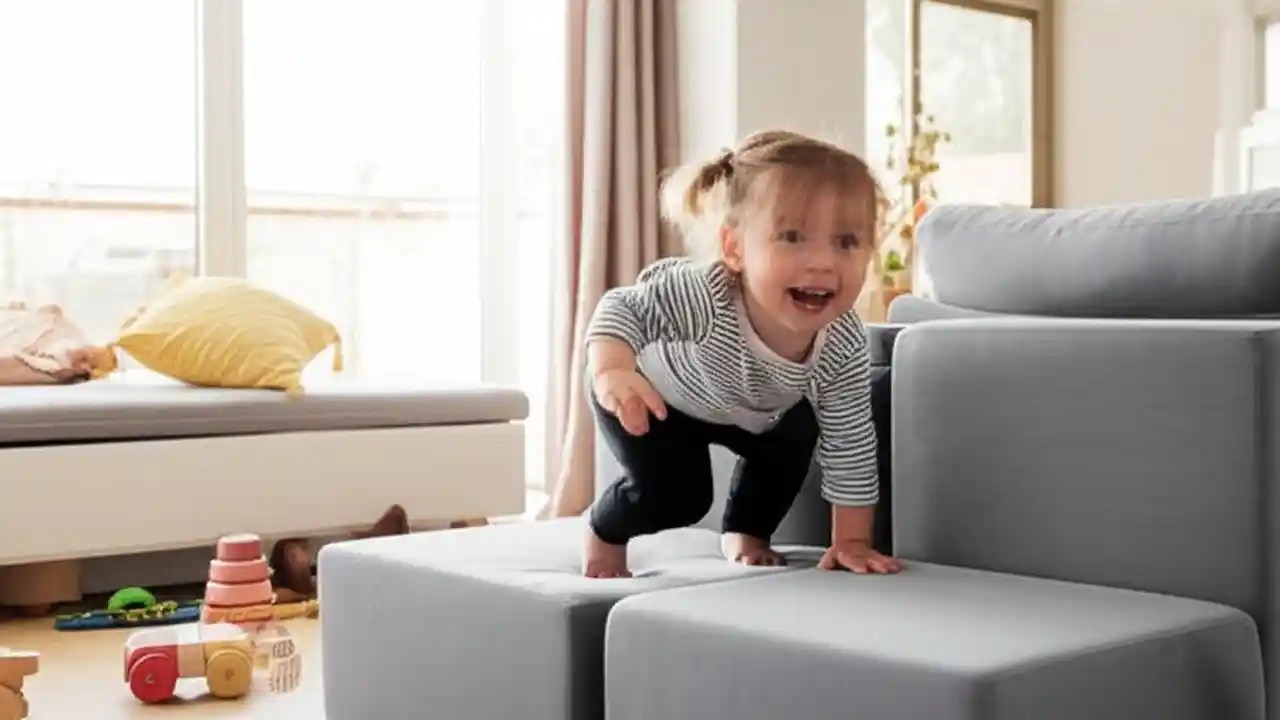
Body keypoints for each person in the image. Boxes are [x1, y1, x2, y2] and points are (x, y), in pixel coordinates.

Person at [581, 128, 903, 579]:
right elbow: (623, 307)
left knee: (797, 433)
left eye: (846, 242)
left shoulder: (842, 341)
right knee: (680, 497)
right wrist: (612, 371)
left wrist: (851, 541)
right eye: (792, 237)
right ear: (735, 249)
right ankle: (605, 531)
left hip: (751, 410)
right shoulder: (706, 295)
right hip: (653, 400)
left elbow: (850, 442)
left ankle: (747, 533)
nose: (823, 262)